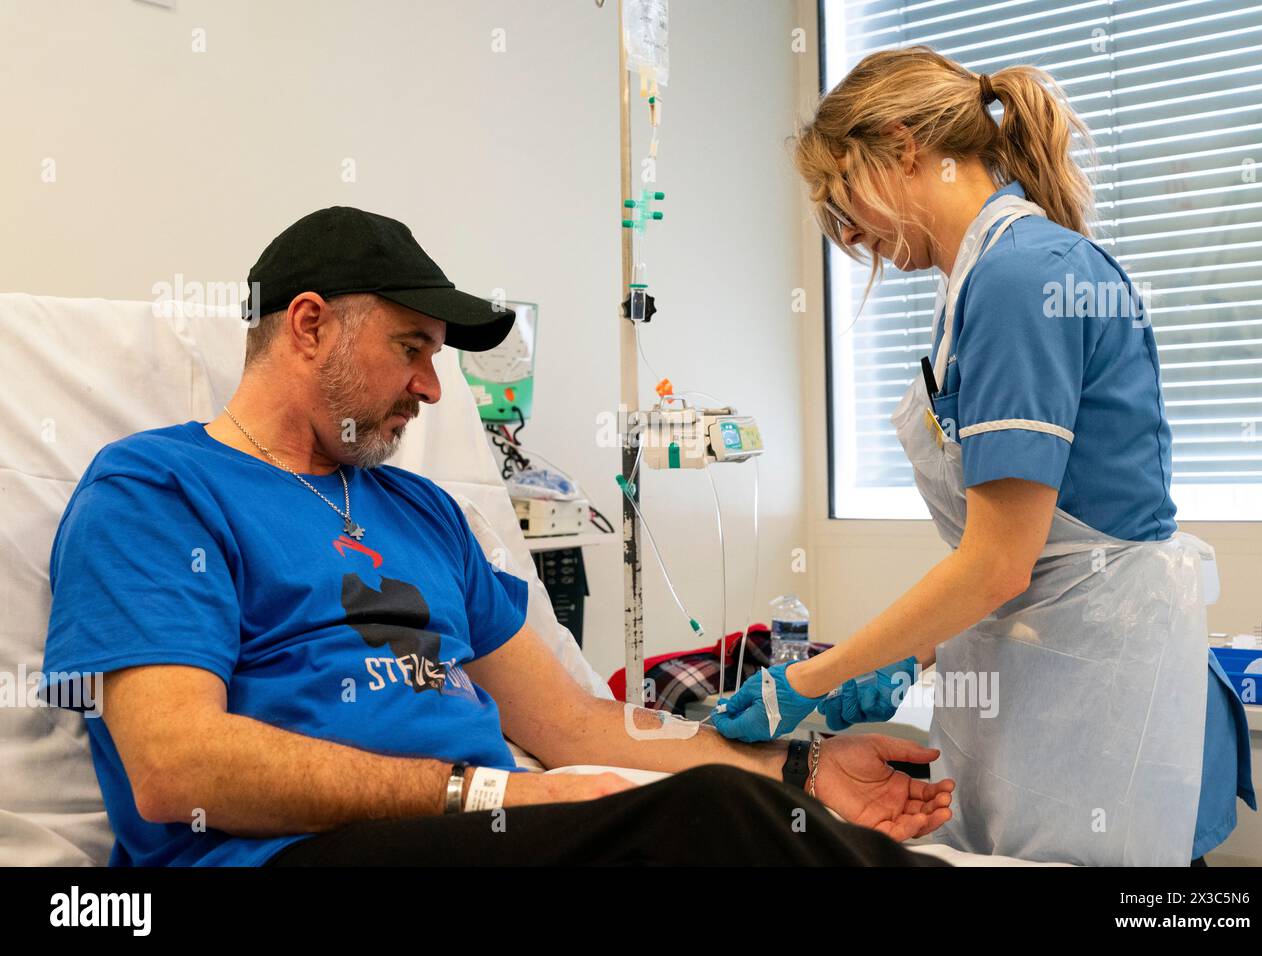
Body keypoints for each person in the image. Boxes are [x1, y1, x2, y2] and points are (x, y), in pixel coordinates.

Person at [40, 205, 954, 867]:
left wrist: (794, 770)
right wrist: (492, 792)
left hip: (488, 834)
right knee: (702, 821)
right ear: (310, 326)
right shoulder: (157, 490)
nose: (435, 388)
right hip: (291, 855)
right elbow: (174, 766)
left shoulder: (422, 511)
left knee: (722, 809)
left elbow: (575, 722)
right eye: (413, 348)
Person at [712, 48, 1255, 867]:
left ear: (902, 145)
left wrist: (807, 684)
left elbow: (1000, 562)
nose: (846, 233)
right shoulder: (976, 287)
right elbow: (1032, 554)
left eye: (841, 194)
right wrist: (912, 653)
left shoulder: (1020, 277)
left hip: (1104, 703)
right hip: (1061, 684)